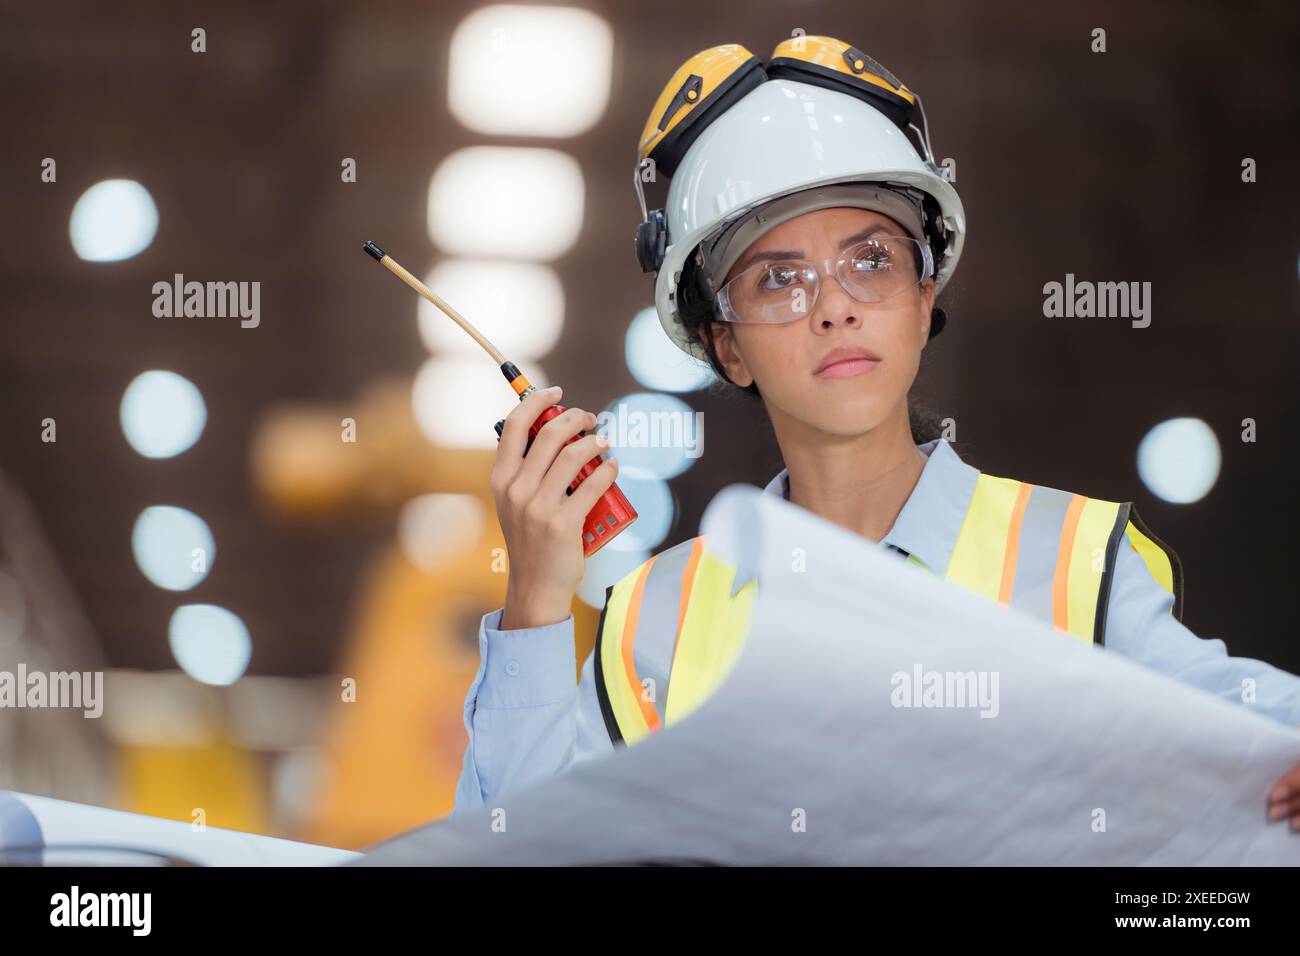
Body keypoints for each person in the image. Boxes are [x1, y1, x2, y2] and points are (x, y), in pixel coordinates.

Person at [451, 36, 1300, 831]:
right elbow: (520, 844)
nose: (835, 306)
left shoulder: (1077, 560)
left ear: (926, 295)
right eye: (779, 278)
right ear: (727, 346)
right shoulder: (653, 622)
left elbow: (1252, 732)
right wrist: (534, 601)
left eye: (871, 259)